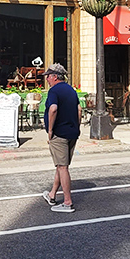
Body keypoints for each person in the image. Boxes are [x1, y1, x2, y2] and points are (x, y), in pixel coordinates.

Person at [41, 63, 81, 213]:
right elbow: (79, 109)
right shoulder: (71, 90)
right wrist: (77, 127)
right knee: (62, 165)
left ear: (54, 77)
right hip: (72, 132)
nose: (47, 79)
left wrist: (50, 130)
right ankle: (52, 194)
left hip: (59, 133)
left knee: (62, 167)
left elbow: (53, 109)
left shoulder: (54, 91)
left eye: (48, 76)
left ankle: (67, 202)